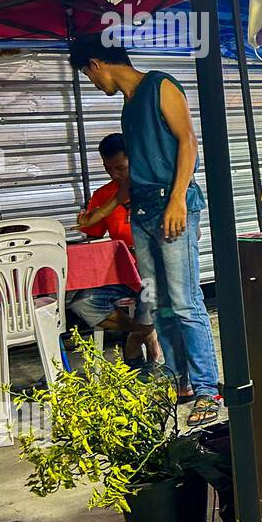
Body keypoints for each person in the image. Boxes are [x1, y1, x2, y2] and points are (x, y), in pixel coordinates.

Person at [68, 38, 223, 427]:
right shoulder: (128, 105)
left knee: (187, 302)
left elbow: (188, 141)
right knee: (161, 304)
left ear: (97, 63)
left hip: (172, 209)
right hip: (142, 213)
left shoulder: (160, 85)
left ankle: (208, 390)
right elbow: (127, 183)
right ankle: (178, 381)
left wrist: (178, 200)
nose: (92, 83)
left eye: (88, 75)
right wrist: (96, 214)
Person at [67, 132, 159, 364]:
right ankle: (143, 333)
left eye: (121, 168)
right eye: (109, 169)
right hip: (122, 273)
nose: (115, 174)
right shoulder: (102, 196)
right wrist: (85, 221)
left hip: (154, 270)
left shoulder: (155, 189)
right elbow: (93, 238)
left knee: (152, 302)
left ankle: (139, 341)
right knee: (82, 302)